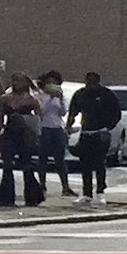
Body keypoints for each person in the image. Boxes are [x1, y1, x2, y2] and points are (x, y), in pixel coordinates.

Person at [68, 73, 122, 200]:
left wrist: (108, 127)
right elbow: (73, 112)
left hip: (101, 132)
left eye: (93, 82)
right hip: (86, 132)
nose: (90, 85)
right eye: (88, 82)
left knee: (99, 163)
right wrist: (68, 126)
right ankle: (87, 193)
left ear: (98, 82)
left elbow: (116, 113)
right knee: (85, 164)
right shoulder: (80, 94)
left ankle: (100, 191)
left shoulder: (106, 94)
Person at [0, 74, 44, 207]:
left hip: (25, 134)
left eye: (20, 81)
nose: (17, 83)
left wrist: (35, 131)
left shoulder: (31, 100)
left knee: (27, 165)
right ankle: (6, 198)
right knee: (7, 164)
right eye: (14, 81)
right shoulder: (5, 98)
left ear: (26, 83)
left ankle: (32, 196)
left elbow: (39, 117)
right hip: (9, 133)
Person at [33, 72, 75, 204]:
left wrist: (60, 98)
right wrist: (50, 98)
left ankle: (65, 186)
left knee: (60, 159)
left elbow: (63, 112)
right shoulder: (39, 95)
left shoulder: (60, 96)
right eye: (49, 82)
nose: (52, 85)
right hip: (44, 128)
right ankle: (42, 185)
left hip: (57, 127)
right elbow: (41, 111)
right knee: (43, 158)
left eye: (55, 82)